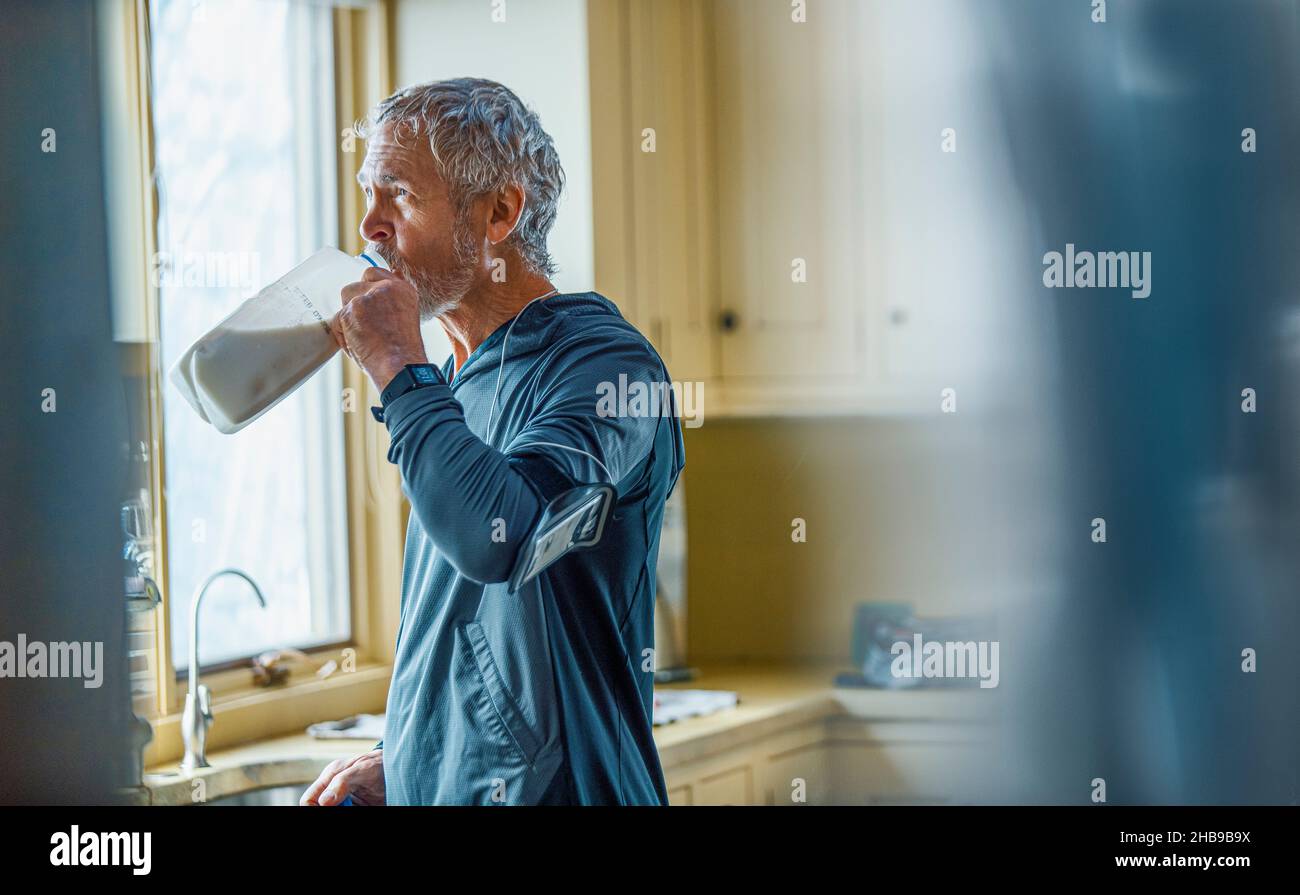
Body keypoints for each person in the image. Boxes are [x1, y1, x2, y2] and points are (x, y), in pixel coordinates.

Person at [300, 78, 684, 805]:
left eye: (400, 196)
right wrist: (415, 755)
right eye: (367, 194)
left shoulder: (608, 368)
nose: (369, 227)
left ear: (500, 211)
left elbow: (502, 537)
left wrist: (396, 366)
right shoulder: (452, 381)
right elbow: (471, 628)